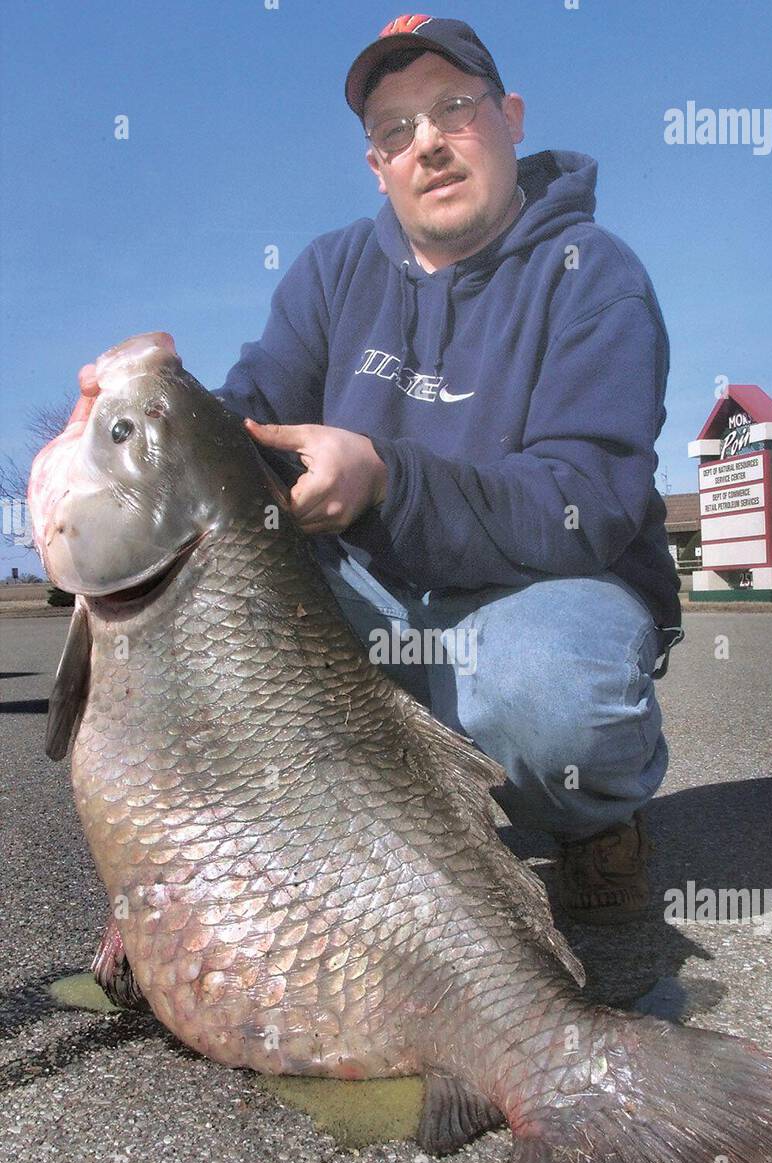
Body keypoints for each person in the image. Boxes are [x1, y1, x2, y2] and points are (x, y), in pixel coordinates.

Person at [214, 15, 684, 926]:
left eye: (453, 109)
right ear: (377, 168)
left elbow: (586, 502)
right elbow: (247, 428)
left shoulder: (595, 276)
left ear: (509, 117)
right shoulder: (331, 271)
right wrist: (143, 419)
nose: (426, 143)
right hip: (369, 599)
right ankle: (305, 864)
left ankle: (590, 825)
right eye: (394, 130)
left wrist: (387, 478)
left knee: (545, 696)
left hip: (537, 592)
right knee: (217, 632)